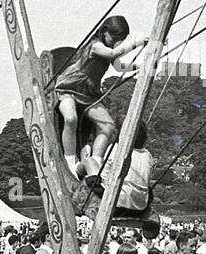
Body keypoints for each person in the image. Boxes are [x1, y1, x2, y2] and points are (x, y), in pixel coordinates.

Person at [54, 15, 148, 178]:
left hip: (89, 92)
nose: (116, 42)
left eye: (120, 40)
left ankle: (96, 161)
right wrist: (137, 42)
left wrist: (141, 64)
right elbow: (112, 53)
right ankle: (70, 162)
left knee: (108, 126)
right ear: (104, 31)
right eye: (115, 38)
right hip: (70, 87)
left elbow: (120, 67)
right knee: (70, 119)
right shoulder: (95, 46)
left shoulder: (109, 49)